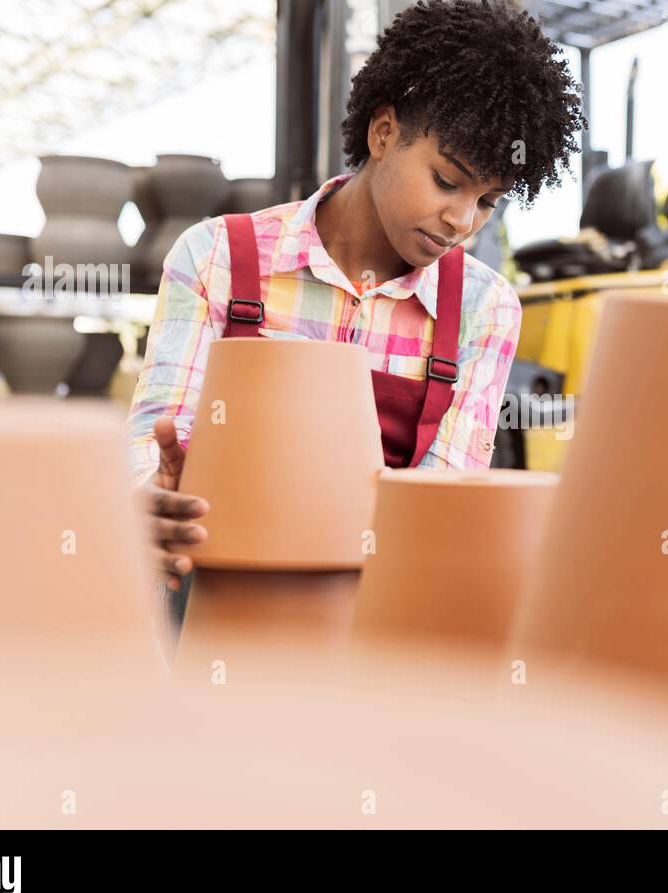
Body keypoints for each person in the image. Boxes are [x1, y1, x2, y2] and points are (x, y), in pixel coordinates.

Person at [125, 0, 587, 628]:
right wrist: (149, 493)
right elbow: (157, 438)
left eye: (488, 202)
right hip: (214, 605)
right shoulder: (218, 259)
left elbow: (442, 501)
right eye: (448, 181)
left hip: (376, 617)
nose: (463, 222)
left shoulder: (483, 309)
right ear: (383, 132)